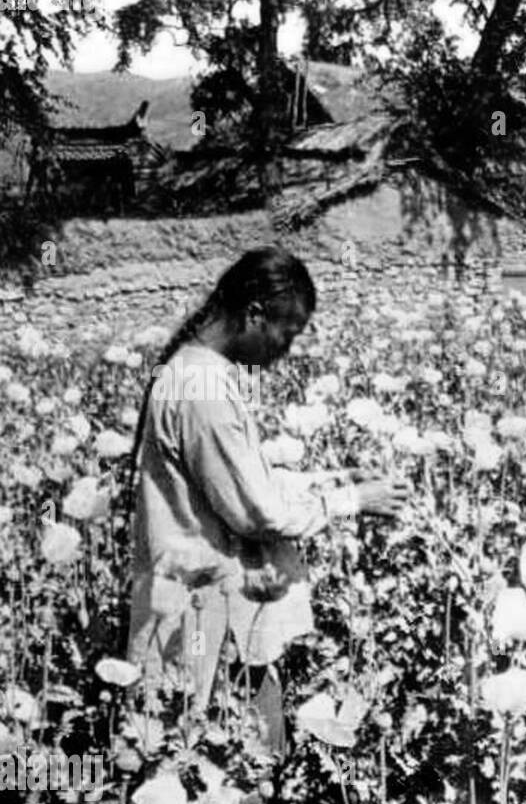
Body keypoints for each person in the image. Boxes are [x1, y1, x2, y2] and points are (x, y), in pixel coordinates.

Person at [124, 247, 409, 746]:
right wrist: (350, 501)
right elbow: (257, 513)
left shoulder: (196, 372)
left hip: (211, 604)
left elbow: (238, 483)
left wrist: (336, 479)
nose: (287, 349)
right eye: (288, 333)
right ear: (254, 314)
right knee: (208, 753)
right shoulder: (202, 390)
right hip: (201, 616)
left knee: (239, 741)